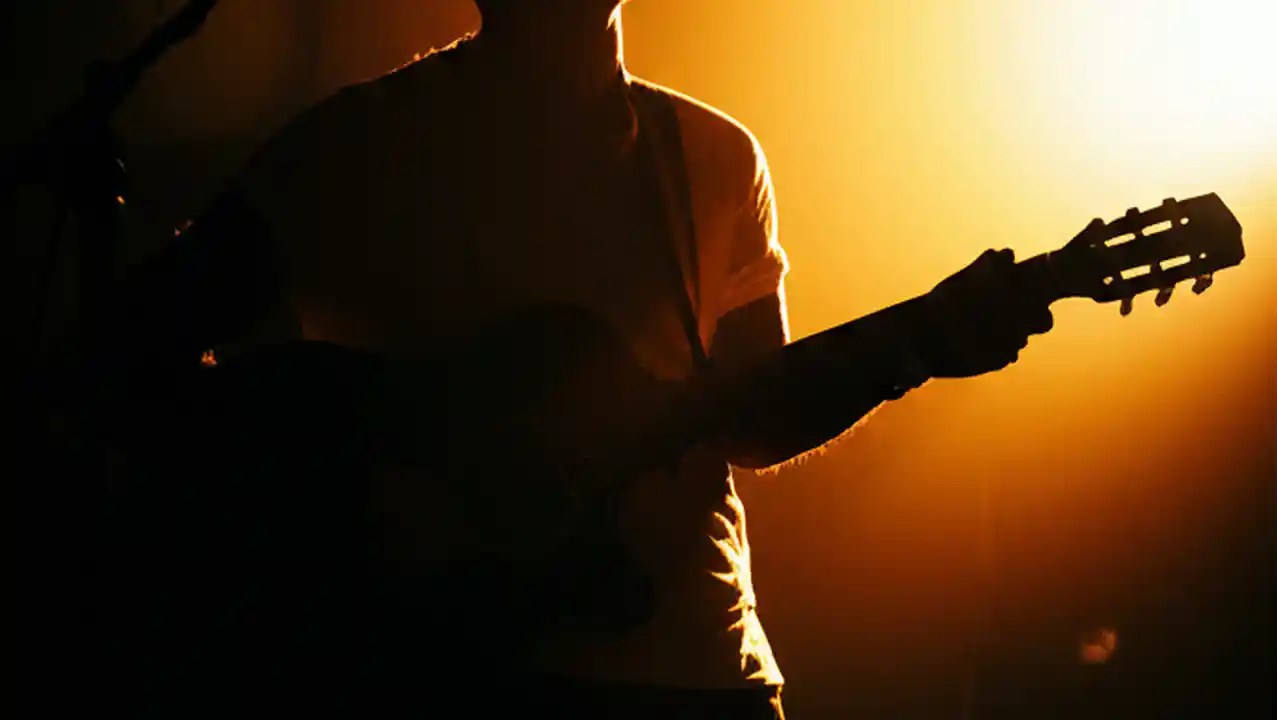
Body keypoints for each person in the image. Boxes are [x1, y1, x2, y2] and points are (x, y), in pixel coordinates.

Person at [107, 0, 1053, 716]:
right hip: (453, 663)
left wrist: (922, 344)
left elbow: (754, 420)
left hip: (700, 674)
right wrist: (385, 447)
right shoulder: (359, 145)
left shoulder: (712, 157)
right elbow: (134, 351)